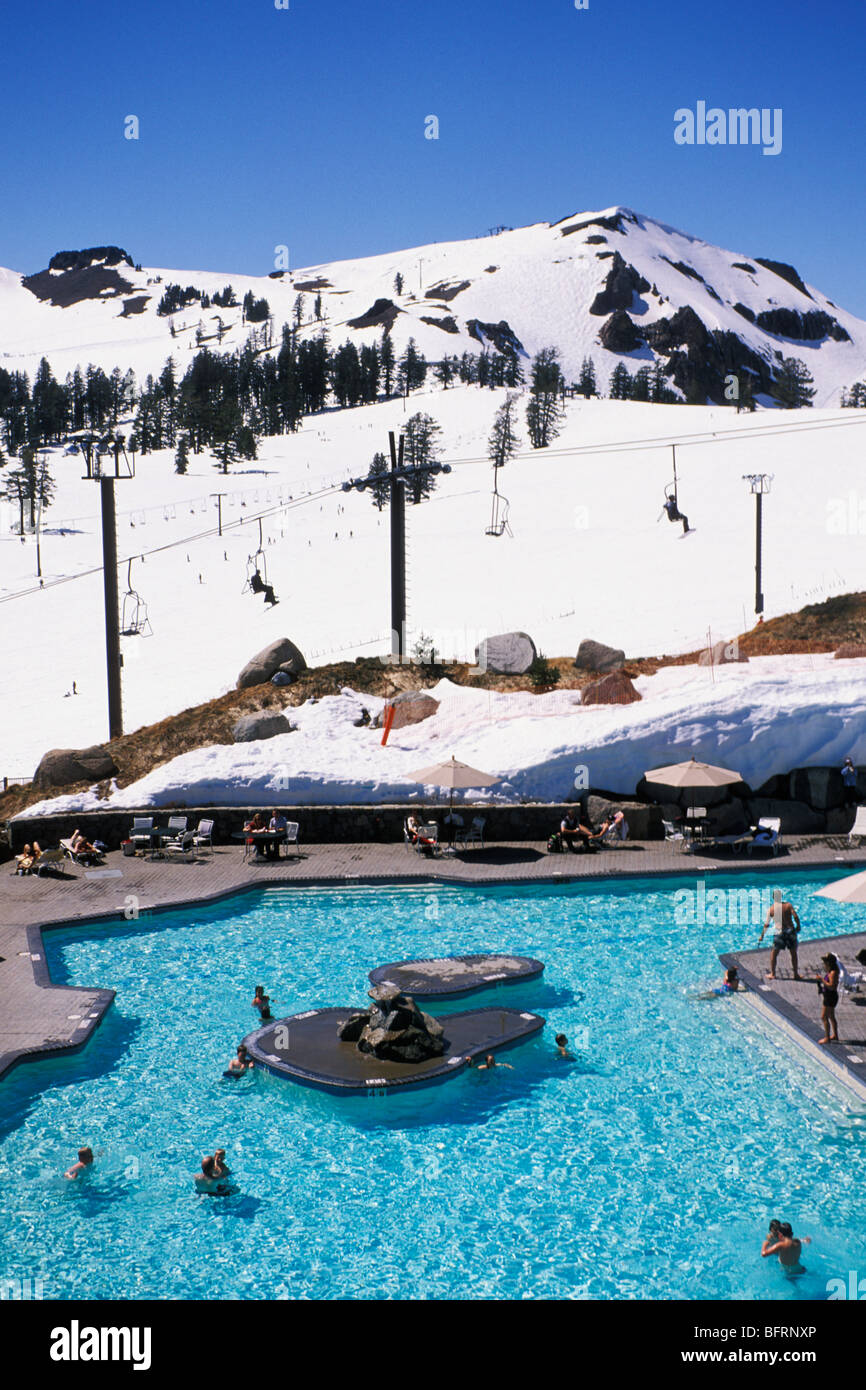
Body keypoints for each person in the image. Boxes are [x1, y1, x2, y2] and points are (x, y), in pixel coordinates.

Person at [758, 894, 802, 980]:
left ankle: (773, 973)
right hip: (790, 931)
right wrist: (798, 926)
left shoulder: (771, 909)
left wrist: (762, 936)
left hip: (779, 932)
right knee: (793, 953)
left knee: (774, 954)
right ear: (781, 897)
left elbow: (766, 924)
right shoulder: (788, 905)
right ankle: (796, 974)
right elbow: (795, 916)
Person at [816, 953, 840, 1045]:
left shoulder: (833, 973)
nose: (824, 964)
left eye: (825, 962)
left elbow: (832, 987)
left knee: (824, 1017)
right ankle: (835, 1035)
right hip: (829, 996)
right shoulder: (831, 971)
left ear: (829, 963)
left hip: (830, 997)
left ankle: (827, 1038)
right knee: (831, 1016)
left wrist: (822, 980)